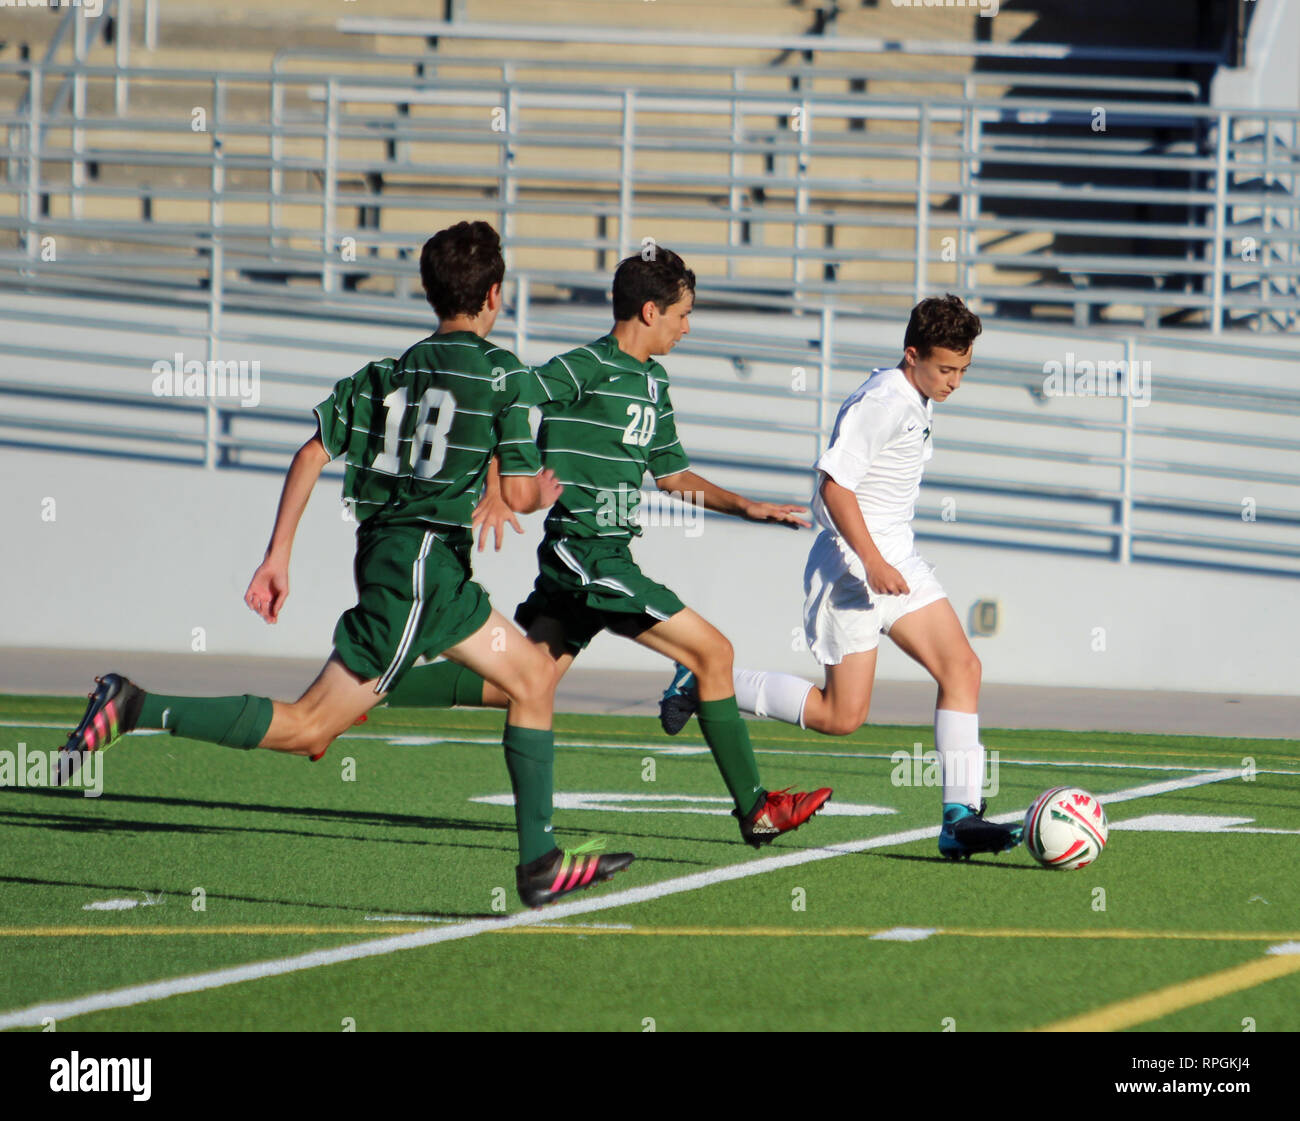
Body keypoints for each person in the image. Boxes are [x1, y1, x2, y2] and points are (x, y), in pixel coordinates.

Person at [55, 221, 634, 907]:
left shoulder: (385, 374)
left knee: (532, 675)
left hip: (396, 557)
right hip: (423, 568)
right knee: (309, 727)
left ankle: (540, 860)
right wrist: (541, 489)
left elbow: (308, 456)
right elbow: (516, 492)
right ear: (495, 295)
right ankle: (136, 703)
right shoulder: (502, 371)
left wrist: (278, 557)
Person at [382, 245, 834, 849]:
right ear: (650, 311)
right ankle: (756, 808)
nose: (687, 326)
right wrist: (496, 485)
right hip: (584, 555)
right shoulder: (585, 366)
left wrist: (746, 506)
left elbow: (672, 476)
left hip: (605, 558)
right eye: (682, 314)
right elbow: (508, 401)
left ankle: (374, 689)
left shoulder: (654, 381)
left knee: (522, 683)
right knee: (714, 655)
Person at [658, 294, 1022, 860]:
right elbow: (833, 485)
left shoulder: (915, 395)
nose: (955, 382)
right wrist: (873, 561)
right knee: (841, 716)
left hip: (897, 564)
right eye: (946, 369)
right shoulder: (882, 401)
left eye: (963, 370)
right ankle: (699, 683)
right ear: (912, 355)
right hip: (853, 570)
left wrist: (888, 560)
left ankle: (959, 819)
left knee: (962, 669)